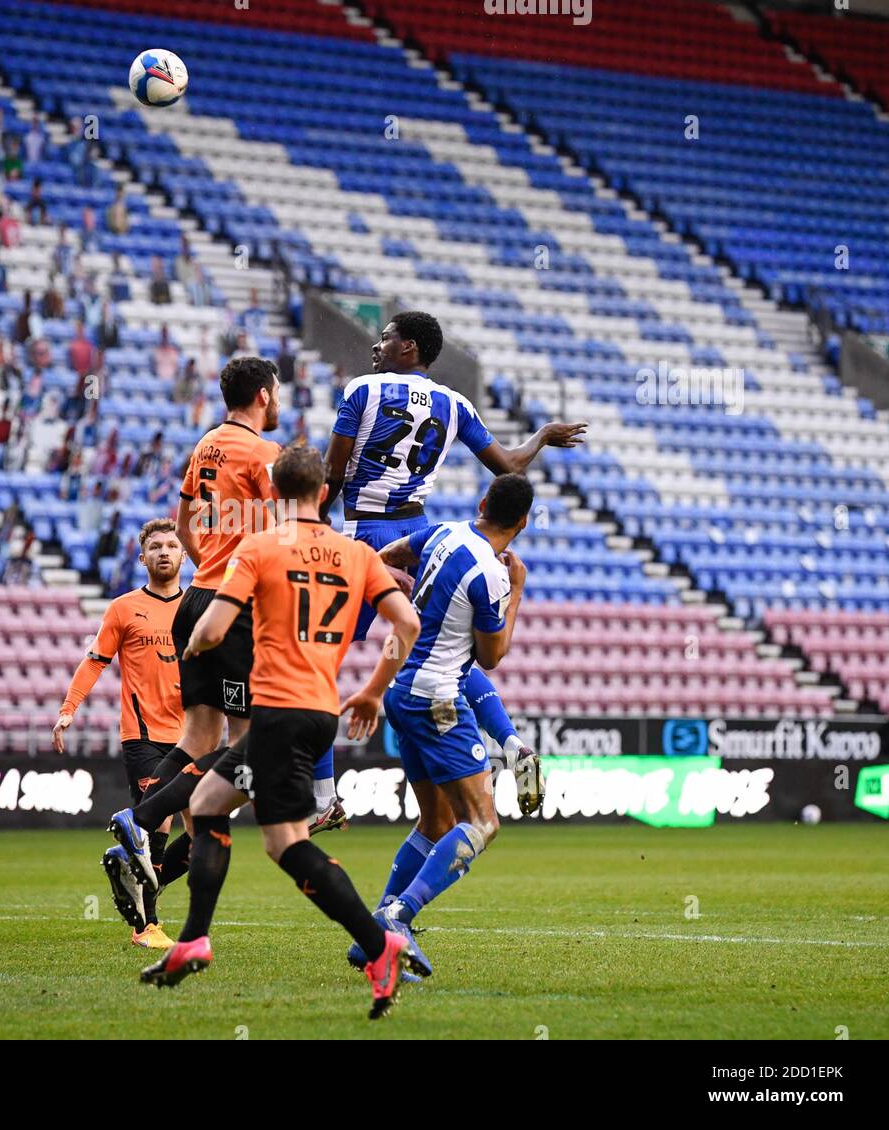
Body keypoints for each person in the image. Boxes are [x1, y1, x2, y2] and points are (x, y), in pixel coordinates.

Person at [138, 441, 425, 1019]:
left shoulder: (260, 546)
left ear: (273, 494)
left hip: (276, 713)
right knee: (211, 802)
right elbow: (408, 621)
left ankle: (378, 944)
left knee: (285, 843)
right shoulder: (357, 554)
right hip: (318, 714)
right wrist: (372, 689)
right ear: (324, 494)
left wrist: (194, 644)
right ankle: (195, 939)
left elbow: (214, 629)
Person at [315, 311, 587, 816]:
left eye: (386, 337)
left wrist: (312, 529)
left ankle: (323, 796)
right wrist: (543, 436)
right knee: (447, 655)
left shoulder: (363, 391)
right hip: (419, 535)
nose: (377, 345)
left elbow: (332, 473)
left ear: (409, 347)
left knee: (314, 652)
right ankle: (510, 745)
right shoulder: (454, 403)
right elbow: (508, 465)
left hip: (365, 533)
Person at [345, 476, 542, 972]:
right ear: (521, 524)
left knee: (434, 823)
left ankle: (371, 936)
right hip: (437, 701)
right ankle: (398, 915)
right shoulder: (493, 577)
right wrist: (516, 591)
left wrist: (403, 590)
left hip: (402, 693)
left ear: (481, 505)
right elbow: (492, 657)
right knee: (481, 822)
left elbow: (386, 554)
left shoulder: (440, 533)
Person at [107, 358, 283, 886]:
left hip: (196, 598)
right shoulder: (262, 452)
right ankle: (141, 823)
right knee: (248, 754)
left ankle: (140, 834)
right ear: (262, 395)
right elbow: (284, 534)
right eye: (276, 393)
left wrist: (211, 558)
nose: (279, 402)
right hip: (233, 606)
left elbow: (183, 524)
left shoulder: (206, 444)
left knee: (198, 737)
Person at [54, 519, 187, 950]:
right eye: (155, 547)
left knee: (208, 837)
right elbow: (95, 661)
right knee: (156, 826)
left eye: (172, 545)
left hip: (194, 737)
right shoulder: (124, 608)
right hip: (144, 736)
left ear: (184, 555)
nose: (164, 552)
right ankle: (146, 927)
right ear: (141, 557)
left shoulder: (201, 607)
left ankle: (128, 871)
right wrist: (68, 709)